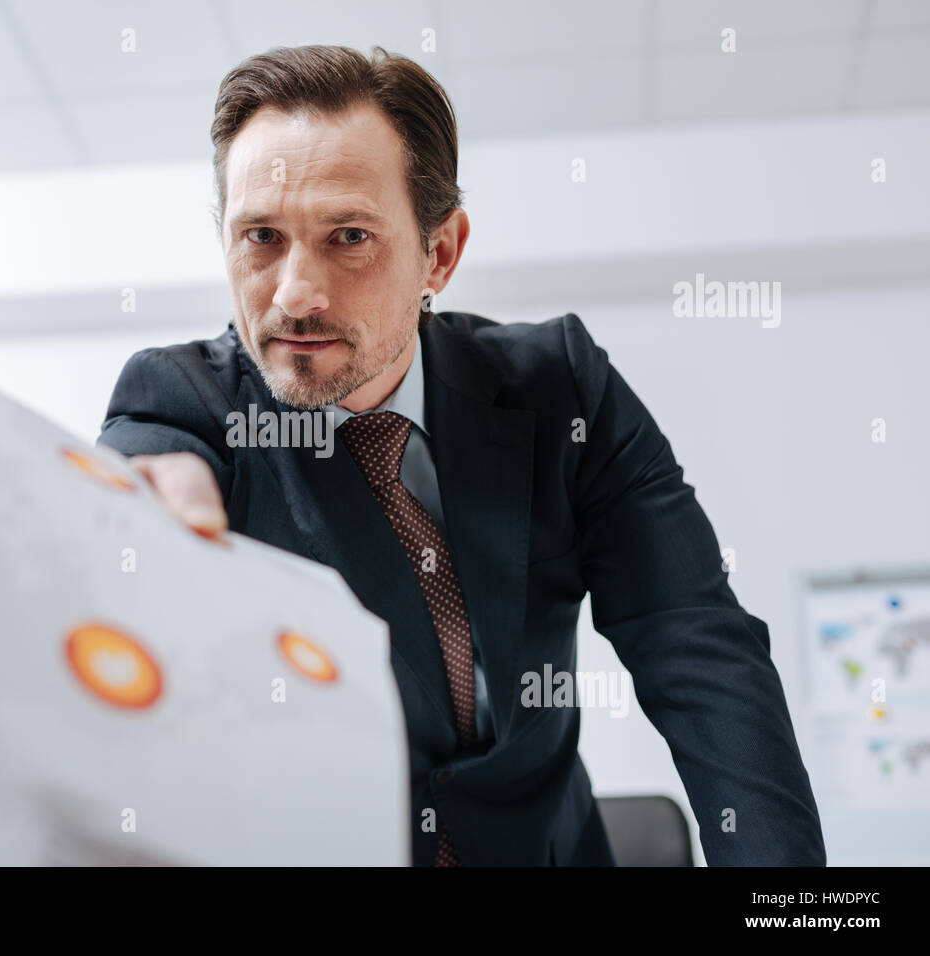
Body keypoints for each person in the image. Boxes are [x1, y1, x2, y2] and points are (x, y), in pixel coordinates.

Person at [96, 44, 825, 866]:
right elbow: (146, 468)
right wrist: (127, 524)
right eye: (261, 236)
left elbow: (695, 642)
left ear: (438, 254)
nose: (295, 293)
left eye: (348, 237)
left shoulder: (560, 389)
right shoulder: (183, 400)